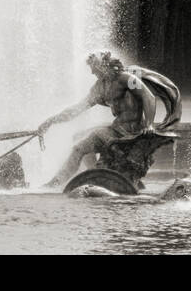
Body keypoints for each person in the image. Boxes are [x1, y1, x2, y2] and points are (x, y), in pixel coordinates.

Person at [37, 51, 177, 188]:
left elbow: (148, 97)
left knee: (91, 138)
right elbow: (76, 109)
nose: (92, 73)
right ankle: (57, 183)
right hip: (116, 129)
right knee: (79, 147)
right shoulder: (100, 87)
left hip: (132, 131)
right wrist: (50, 121)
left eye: (94, 68)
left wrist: (149, 124)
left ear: (103, 65)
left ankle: (96, 175)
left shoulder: (125, 78)